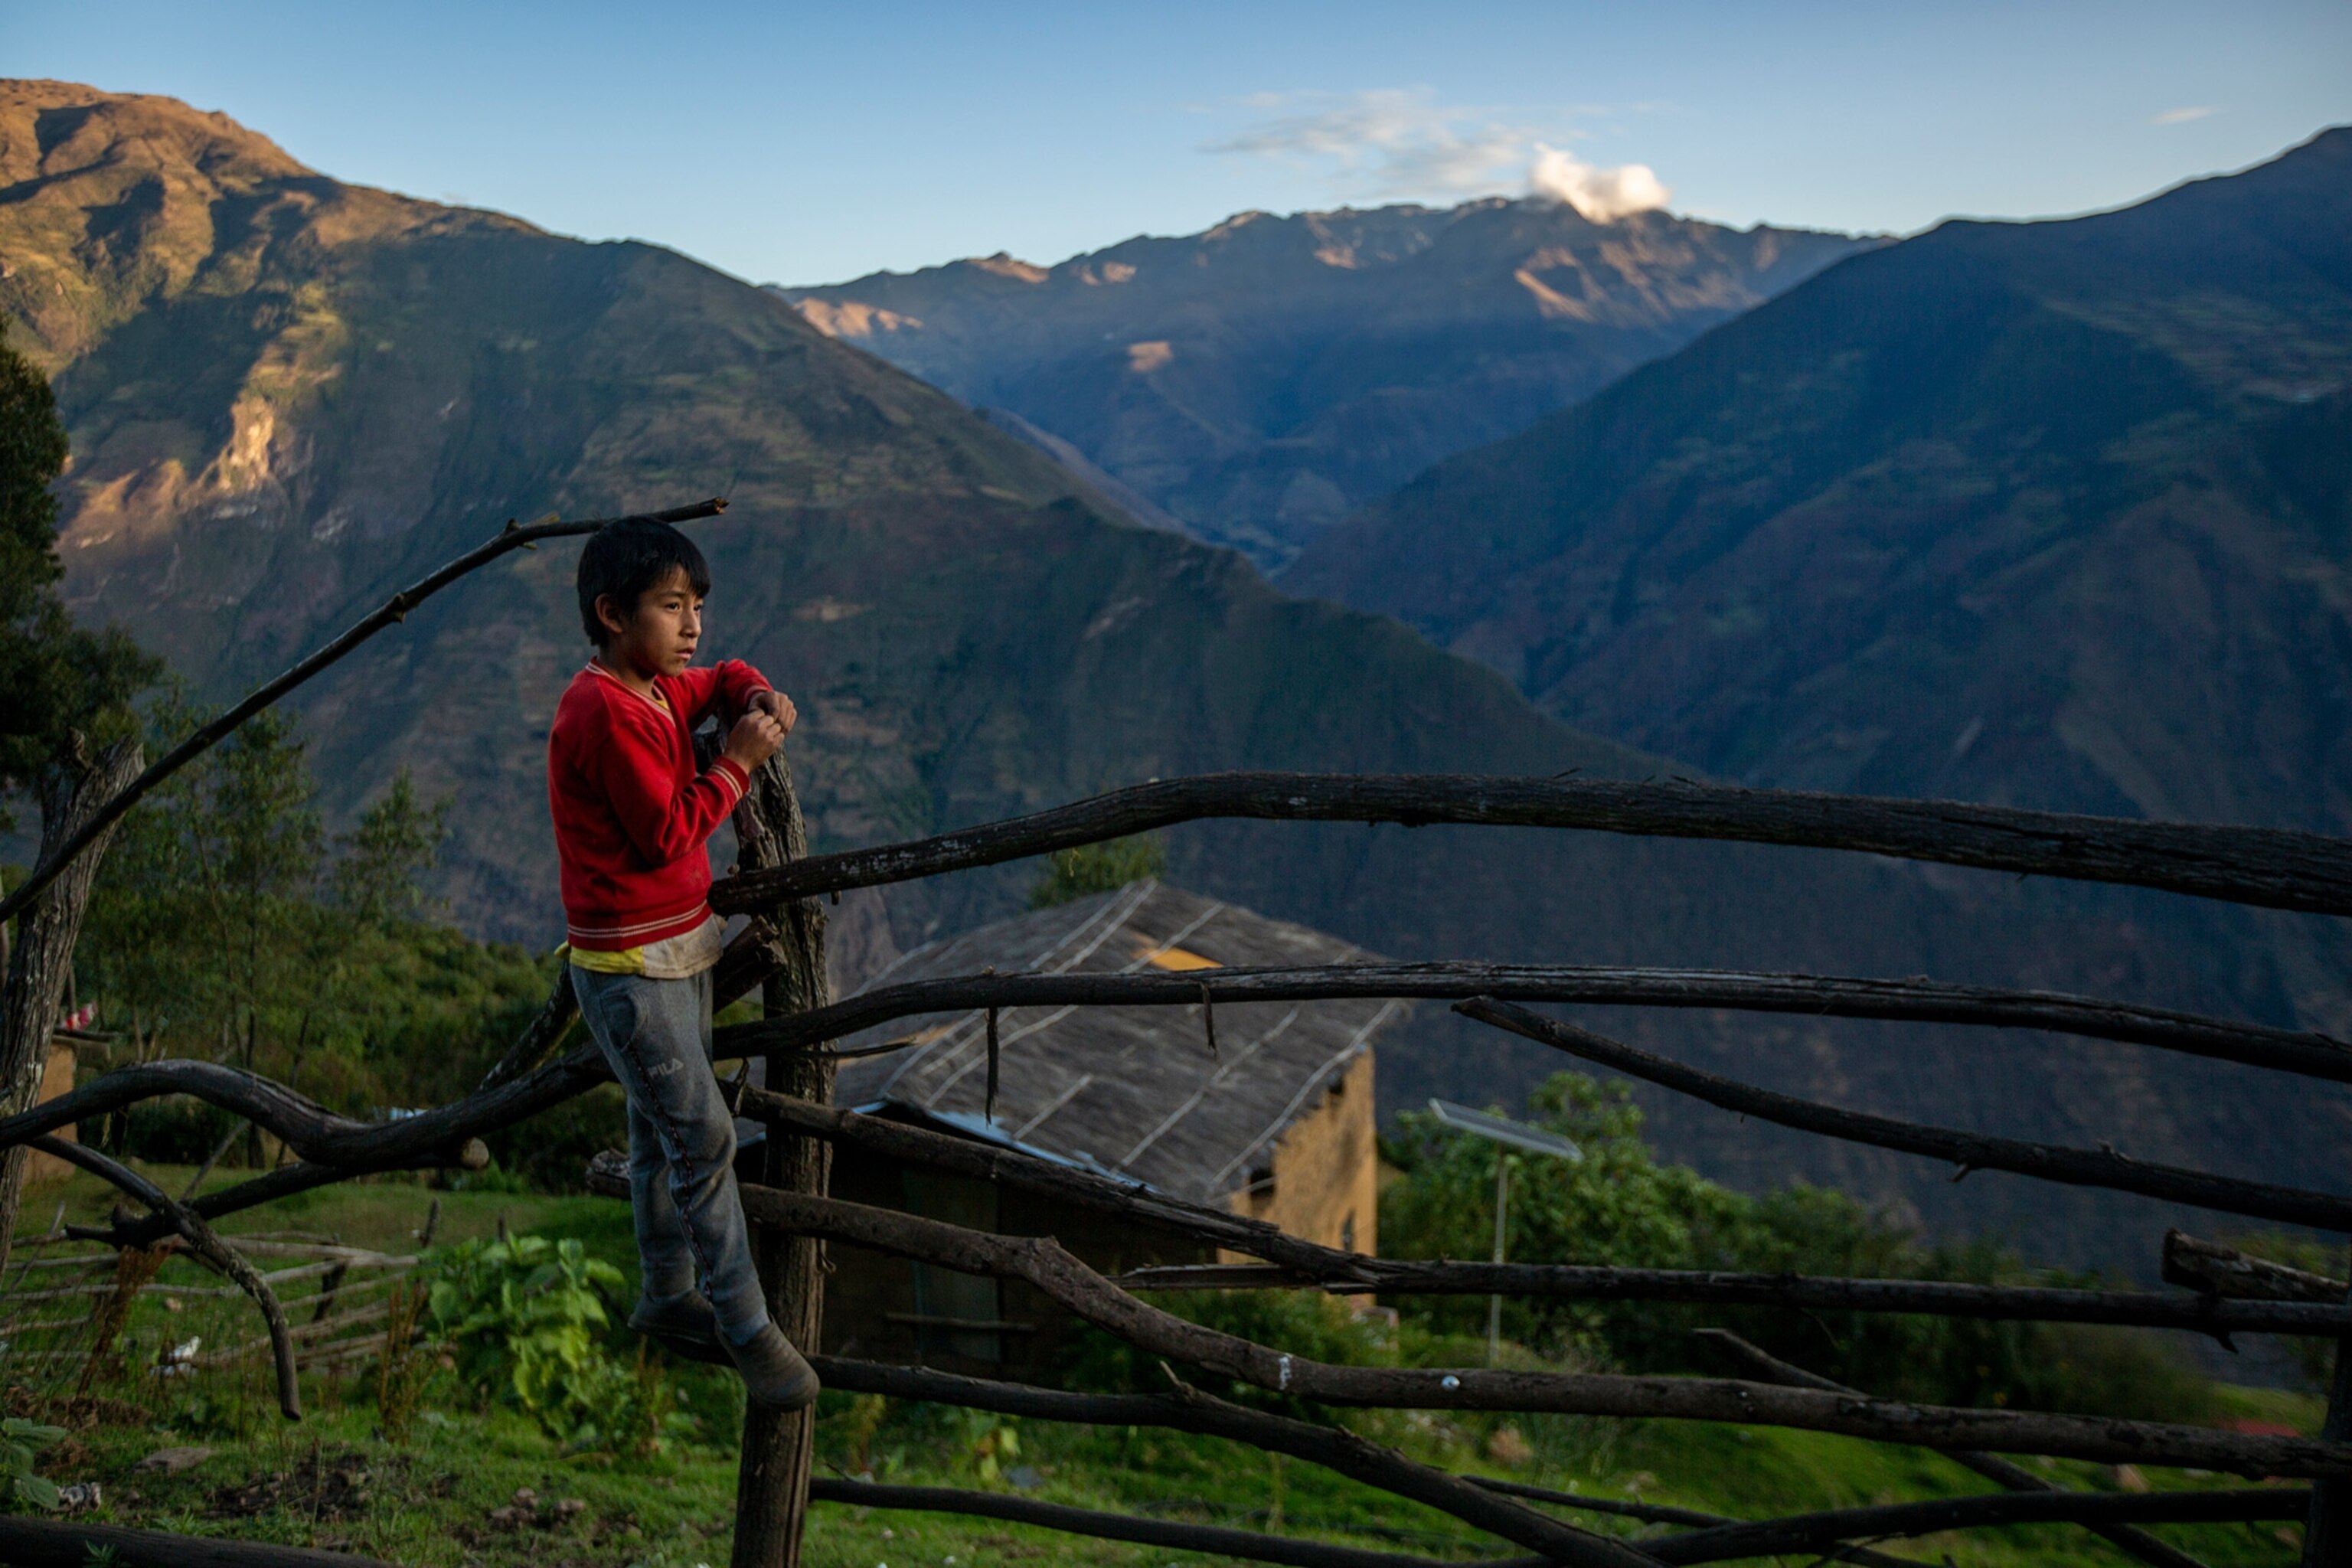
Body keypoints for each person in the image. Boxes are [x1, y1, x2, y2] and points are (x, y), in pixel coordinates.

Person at [545, 516, 818, 1410]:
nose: (693, 625)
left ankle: (667, 1293)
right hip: (628, 969)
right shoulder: (603, 709)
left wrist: (757, 690)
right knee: (700, 1138)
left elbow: (720, 676)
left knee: (657, 1135)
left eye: (698, 604)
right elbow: (665, 831)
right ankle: (749, 1329)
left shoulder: (656, 684)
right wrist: (738, 763)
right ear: (612, 614)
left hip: (675, 948)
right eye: (673, 607)